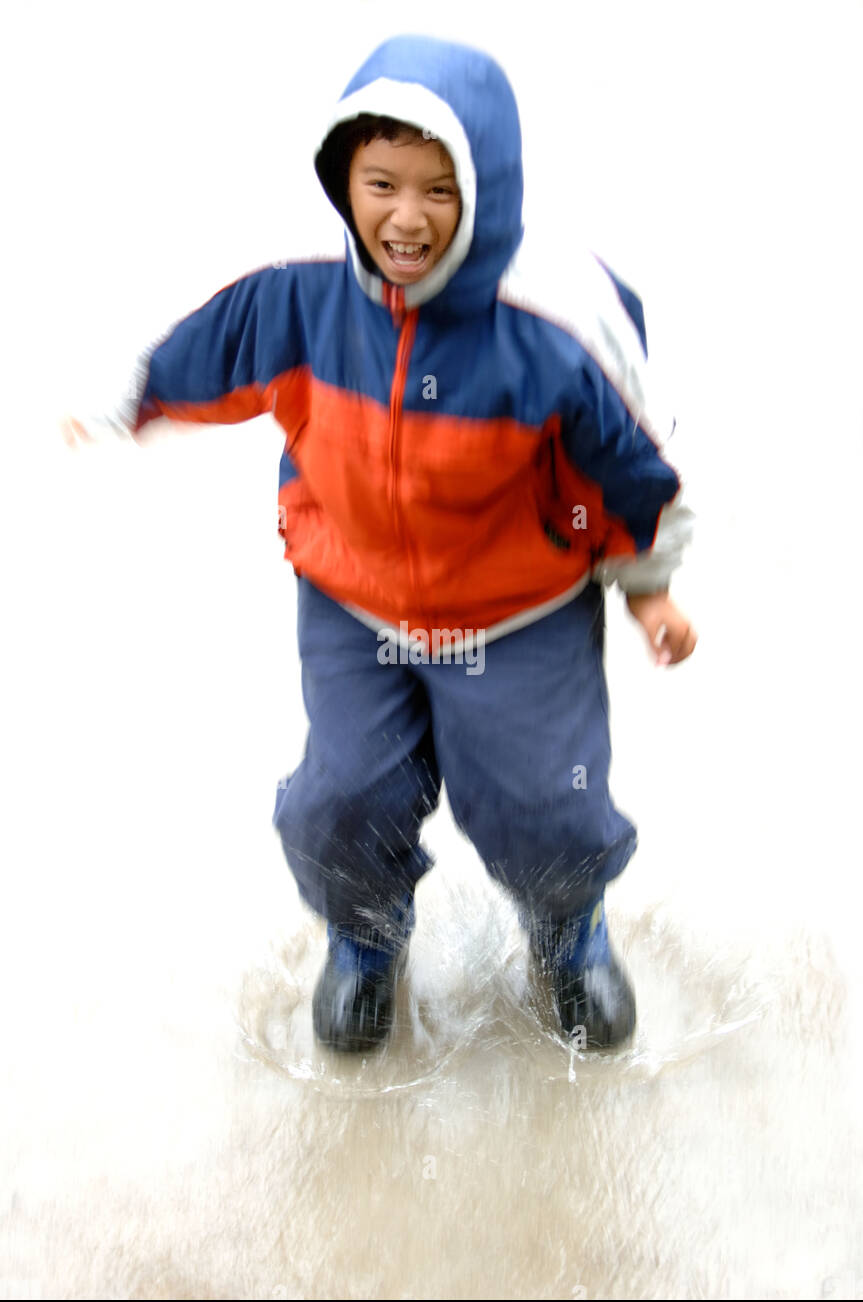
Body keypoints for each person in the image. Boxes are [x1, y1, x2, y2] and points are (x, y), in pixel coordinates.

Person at [61, 34, 696, 1055]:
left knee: (547, 802)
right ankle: (363, 937)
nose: (406, 216)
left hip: (518, 609)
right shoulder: (303, 290)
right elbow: (202, 348)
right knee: (338, 797)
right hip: (353, 599)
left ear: (483, 192)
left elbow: (630, 465)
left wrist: (647, 587)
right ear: (342, 179)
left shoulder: (550, 314)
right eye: (381, 183)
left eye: (440, 189)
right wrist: (117, 403)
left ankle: (566, 930)